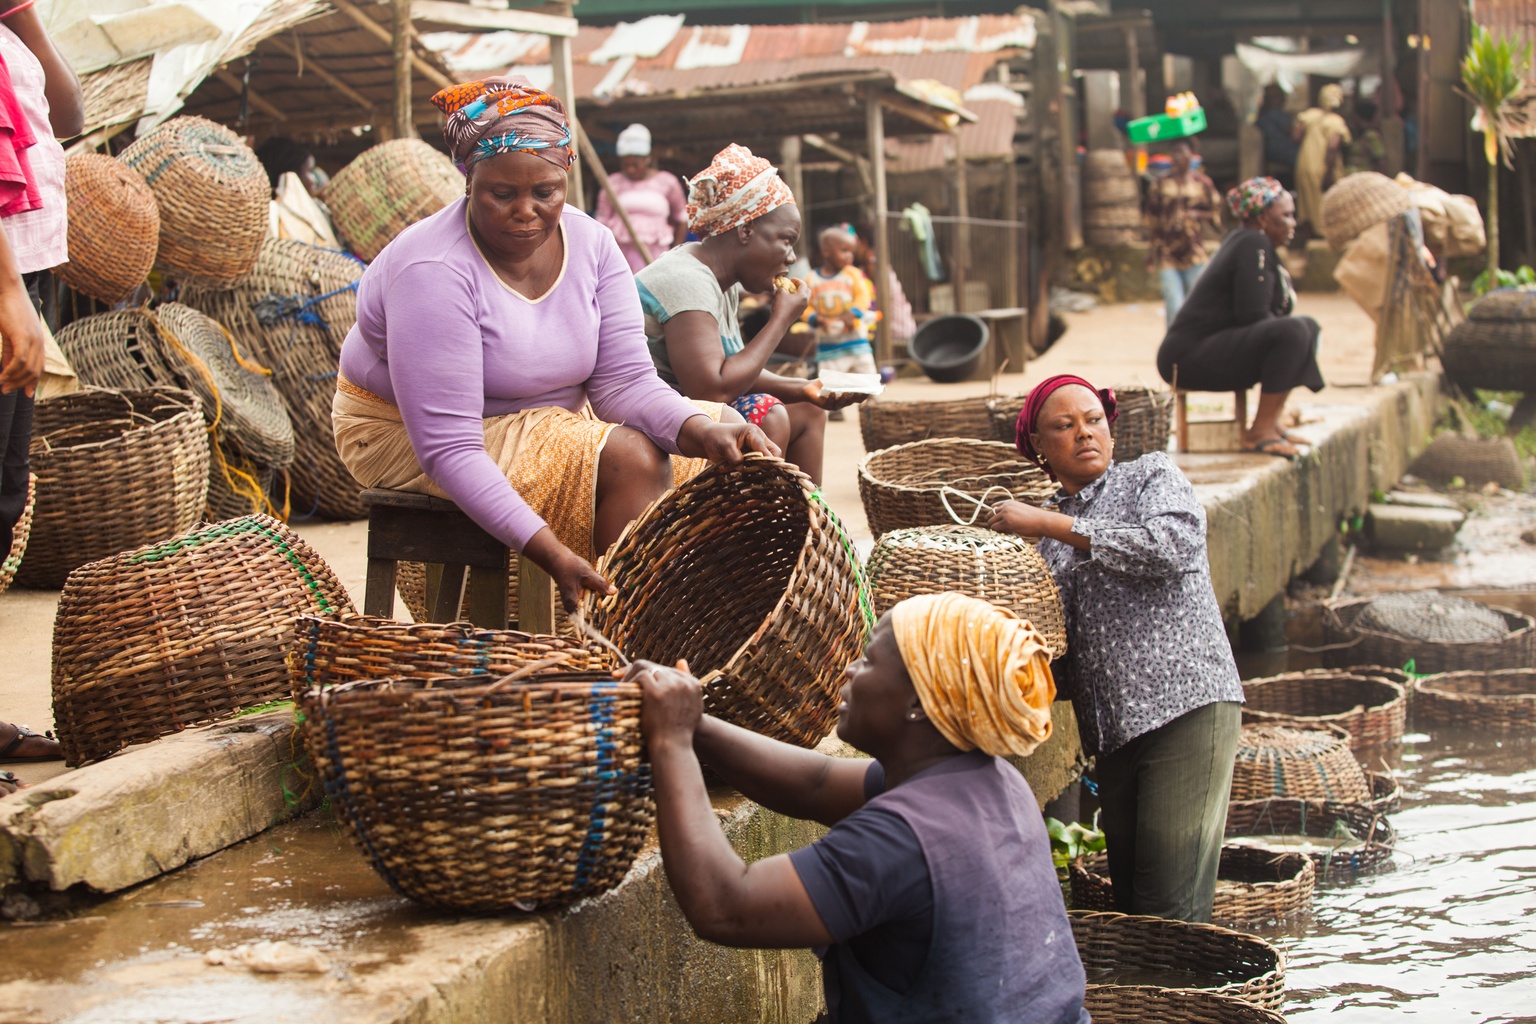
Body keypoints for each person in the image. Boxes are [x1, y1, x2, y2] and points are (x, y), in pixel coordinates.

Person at [331, 79, 776, 612]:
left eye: (545, 192)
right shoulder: (433, 270)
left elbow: (624, 382)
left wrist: (699, 430)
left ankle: (679, 623)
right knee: (631, 459)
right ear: (469, 182)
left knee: (727, 431)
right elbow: (449, 447)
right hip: (399, 429)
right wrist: (549, 550)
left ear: (565, 179)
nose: (526, 211)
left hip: (544, 414)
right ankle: (623, 638)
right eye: (502, 194)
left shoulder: (592, 244)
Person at [626, 592, 1090, 1024]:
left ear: (916, 702)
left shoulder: (900, 840)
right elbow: (816, 782)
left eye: (868, 660)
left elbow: (726, 906)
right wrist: (693, 722)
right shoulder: (991, 779)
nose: (849, 669)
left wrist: (670, 740)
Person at [986, 375, 1243, 923]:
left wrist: (1046, 522)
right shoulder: (1048, 543)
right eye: (1064, 426)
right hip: (1116, 730)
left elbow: (1168, 546)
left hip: (1187, 707)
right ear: (1038, 446)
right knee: (1132, 905)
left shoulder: (1149, 476)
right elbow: (1060, 644)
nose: (1084, 433)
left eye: (1093, 420)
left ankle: (1183, 1004)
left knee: (1167, 907)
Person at [635, 144, 860, 486]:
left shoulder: (722, 283)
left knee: (808, 411)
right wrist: (780, 320)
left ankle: (809, 524)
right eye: (786, 240)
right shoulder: (686, 278)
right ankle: (757, 532)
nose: (791, 257)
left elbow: (736, 370)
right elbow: (713, 388)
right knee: (766, 413)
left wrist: (807, 388)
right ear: (744, 231)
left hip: (691, 411)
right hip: (654, 422)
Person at [0, 0, 81, 784]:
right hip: (1, 289)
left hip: (13, 281)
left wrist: (21, 13)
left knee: (2, 501)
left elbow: (72, 112)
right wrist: (9, 300)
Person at [1155, 177, 1323, 458]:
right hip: (1186, 358)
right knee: (1293, 331)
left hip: (1210, 348)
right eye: (1286, 216)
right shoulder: (1252, 243)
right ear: (1262, 218)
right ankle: (1259, 432)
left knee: (1308, 327)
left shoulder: (1255, 243)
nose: (1293, 223)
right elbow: (1253, 314)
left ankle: (1272, 423)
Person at [1144, 137, 1222, 326]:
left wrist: (1198, 214)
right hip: (1166, 252)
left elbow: (1216, 215)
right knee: (1174, 304)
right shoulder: (1160, 184)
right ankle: (1174, 348)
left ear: (1191, 155)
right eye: (1174, 152)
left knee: (1197, 303)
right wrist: (1150, 252)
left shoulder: (1202, 184)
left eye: (1182, 152)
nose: (1177, 157)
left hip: (1194, 251)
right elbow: (1152, 220)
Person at [592, 123, 688, 273]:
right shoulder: (612, 183)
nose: (630, 169)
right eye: (625, 164)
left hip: (657, 257)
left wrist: (674, 252)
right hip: (621, 256)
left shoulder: (667, 182)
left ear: (646, 159)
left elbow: (682, 218)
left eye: (635, 164)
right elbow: (601, 222)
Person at [803, 223, 879, 376]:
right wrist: (816, 319)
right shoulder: (811, 279)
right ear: (826, 252)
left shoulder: (853, 274)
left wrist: (854, 313)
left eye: (852, 252)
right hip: (828, 345)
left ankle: (871, 399)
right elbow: (804, 305)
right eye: (844, 251)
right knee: (831, 384)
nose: (849, 256)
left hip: (856, 341)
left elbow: (863, 295)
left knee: (867, 378)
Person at [1292, 83, 1351, 238]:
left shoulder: (1309, 115)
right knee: (1328, 204)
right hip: (1324, 167)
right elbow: (1332, 147)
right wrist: (1329, 172)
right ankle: (1325, 239)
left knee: (1306, 205)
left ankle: (1307, 241)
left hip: (1304, 165)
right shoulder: (1335, 121)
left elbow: (1296, 137)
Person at [1255, 84, 1298, 188]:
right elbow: (1293, 133)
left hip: (1272, 152)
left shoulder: (1262, 115)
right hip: (1282, 152)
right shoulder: (1276, 114)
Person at [1343, 99, 1386, 176]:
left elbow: (1381, 161)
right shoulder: (1355, 134)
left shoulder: (1371, 135)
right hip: (1353, 177)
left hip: (1362, 178)